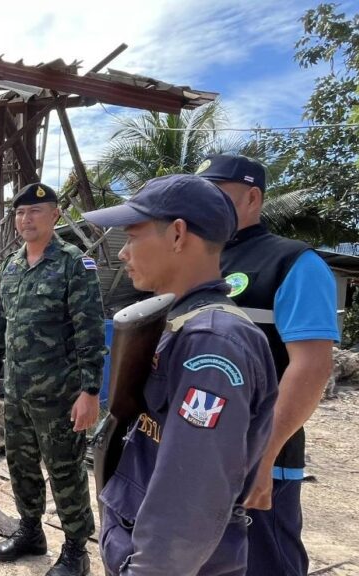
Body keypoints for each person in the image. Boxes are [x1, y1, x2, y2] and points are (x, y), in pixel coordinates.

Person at [82, 174, 278, 575]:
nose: (123, 253)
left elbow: (191, 495)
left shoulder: (212, 344)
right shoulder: (179, 323)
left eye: (133, 237)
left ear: (177, 235)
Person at [198, 154, 339, 576]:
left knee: (263, 561)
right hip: (199, 449)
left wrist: (264, 455)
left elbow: (311, 366)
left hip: (258, 456)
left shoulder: (292, 262)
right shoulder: (203, 260)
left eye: (216, 194)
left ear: (252, 197)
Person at [0, 182, 105, 576]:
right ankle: (31, 531)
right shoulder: (13, 265)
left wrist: (90, 391)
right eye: (20, 213)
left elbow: (89, 331)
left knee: (65, 470)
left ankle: (76, 552)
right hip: (18, 393)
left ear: (54, 215)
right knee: (20, 465)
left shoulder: (74, 264)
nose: (26, 219)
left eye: (35, 212)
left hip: (59, 394)